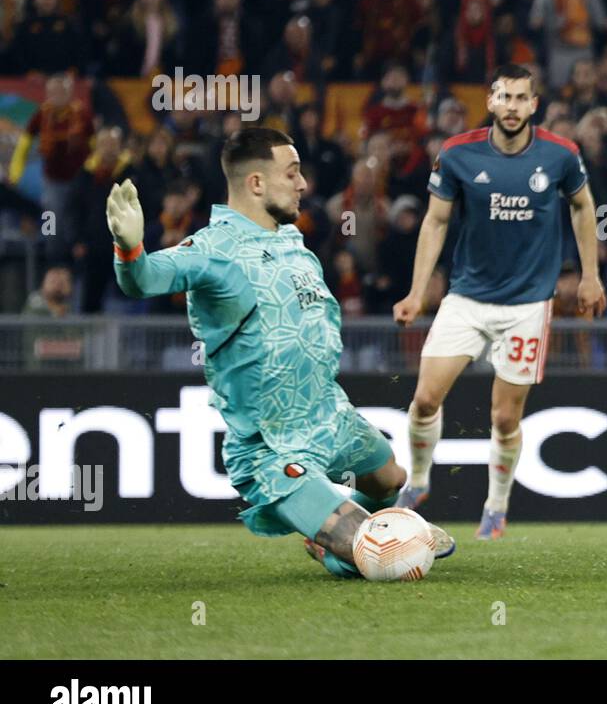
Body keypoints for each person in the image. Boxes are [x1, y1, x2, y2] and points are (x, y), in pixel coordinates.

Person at [105, 128, 454, 579]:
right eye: (292, 174)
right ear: (256, 183)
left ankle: (350, 531)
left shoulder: (292, 241)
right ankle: (338, 541)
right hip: (271, 445)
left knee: (390, 479)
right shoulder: (213, 249)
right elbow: (145, 280)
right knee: (376, 557)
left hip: (330, 415)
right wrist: (130, 247)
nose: (303, 184)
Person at [392, 63, 607, 539]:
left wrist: (590, 276)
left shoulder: (561, 156)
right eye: (504, 97)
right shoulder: (456, 154)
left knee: (505, 416)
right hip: (466, 298)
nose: (512, 107)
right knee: (425, 398)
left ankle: (495, 505)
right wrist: (415, 291)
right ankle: (420, 481)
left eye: (521, 98)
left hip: (528, 305)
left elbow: (583, 206)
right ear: (490, 102)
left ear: (535, 105)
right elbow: (435, 222)